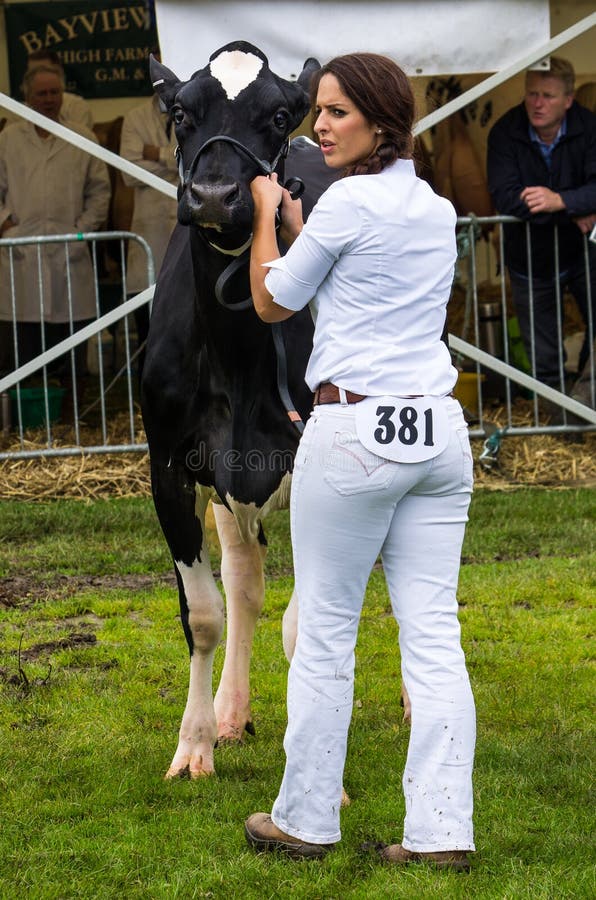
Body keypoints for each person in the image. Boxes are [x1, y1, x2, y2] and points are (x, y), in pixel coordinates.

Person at [244, 53, 475, 871]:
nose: (320, 125)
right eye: (321, 111)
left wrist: (268, 214)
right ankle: (444, 828)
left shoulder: (343, 204)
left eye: (337, 112)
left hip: (354, 432)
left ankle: (305, 818)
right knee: (434, 635)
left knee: (327, 631)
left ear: (380, 119)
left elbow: (275, 297)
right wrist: (312, 230)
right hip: (438, 436)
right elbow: (353, 287)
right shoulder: (435, 208)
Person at [0, 65, 110, 407]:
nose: (49, 100)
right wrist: (6, 225)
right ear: (26, 98)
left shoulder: (82, 137)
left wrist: (81, 230)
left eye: (54, 93)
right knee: (17, 347)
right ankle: (16, 419)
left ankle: (72, 417)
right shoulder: (7, 139)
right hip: (20, 254)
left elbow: (100, 191)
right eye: (41, 94)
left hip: (69, 254)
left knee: (72, 345)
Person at [486, 57, 596, 392]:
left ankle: (587, 402)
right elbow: (505, 197)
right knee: (543, 349)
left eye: (547, 96)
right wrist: (576, 205)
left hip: (584, 253)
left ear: (568, 100)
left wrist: (559, 200)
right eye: (532, 93)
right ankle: (555, 414)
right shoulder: (505, 132)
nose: (537, 103)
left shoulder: (590, 127)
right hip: (529, 256)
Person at [119, 75, 179, 374]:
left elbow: (195, 167)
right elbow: (129, 173)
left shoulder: (197, 109)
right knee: (147, 326)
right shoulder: (135, 118)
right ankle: (146, 393)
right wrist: (175, 161)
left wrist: (154, 153)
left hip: (182, 229)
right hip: (150, 229)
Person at [25, 49, 94, 130]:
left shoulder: (76, 107)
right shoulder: (20, 110)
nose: (36, 76)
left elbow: (78, 137)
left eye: (43, 70)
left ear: (58, 71)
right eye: (32, 72)